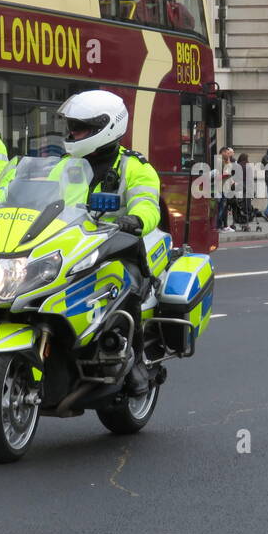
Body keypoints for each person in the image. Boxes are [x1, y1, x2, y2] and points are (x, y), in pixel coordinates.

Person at [58, 89, 162, 395]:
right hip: (72, 244)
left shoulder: (134, 166)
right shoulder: (65, 165)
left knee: (125, 287)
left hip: (119, 246)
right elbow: (37, 198)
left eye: (82, 128)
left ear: (108, 126)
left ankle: (136, 361)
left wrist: (135, 219)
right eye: (72, 127)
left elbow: (147, 203)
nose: (73, 133)